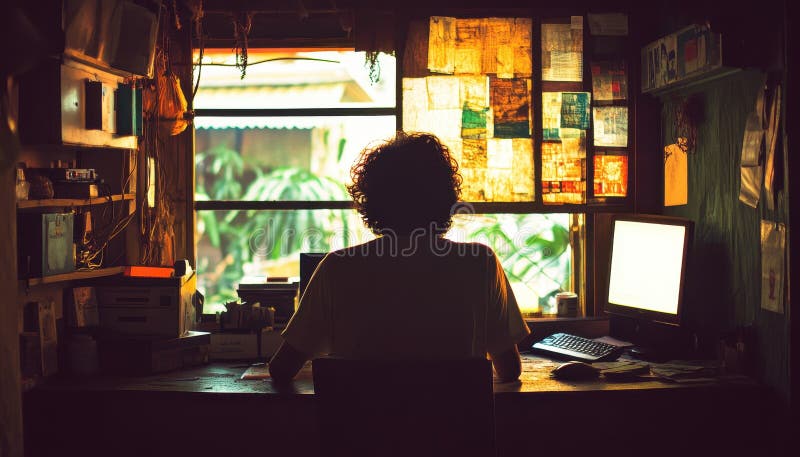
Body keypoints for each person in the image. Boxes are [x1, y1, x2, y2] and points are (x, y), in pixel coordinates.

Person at [268, 132, 530, 383]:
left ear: (372, 201)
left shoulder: (336, 269)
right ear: (445, 198)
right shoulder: (480, 263)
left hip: (364, 429)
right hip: (451, 429)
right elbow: (509, 370)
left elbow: (281, 369)